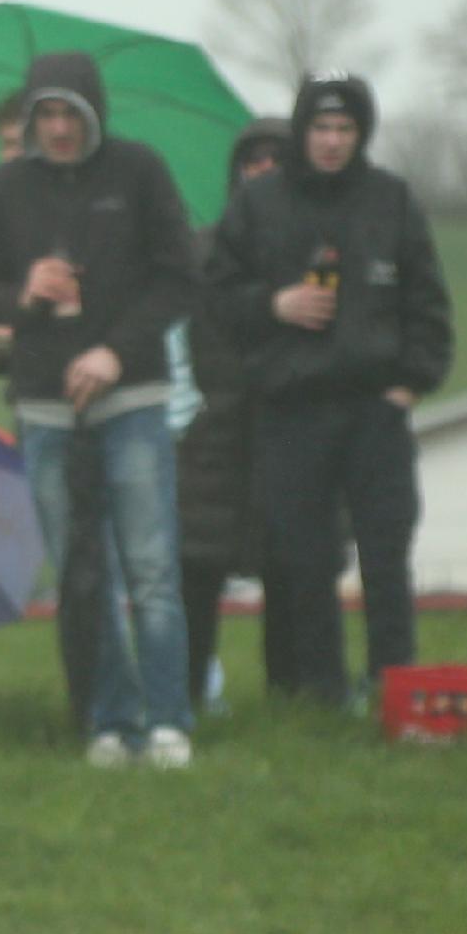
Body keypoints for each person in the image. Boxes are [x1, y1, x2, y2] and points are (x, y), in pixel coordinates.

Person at [0, 52, 198, 767]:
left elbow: (179, 278)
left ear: (94, 112)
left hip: (132, 397)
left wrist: (115, 353)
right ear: (31, 120)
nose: (60, 129)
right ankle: (109, 718)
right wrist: (24, 296)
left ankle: (167, 721)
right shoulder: (4, 188)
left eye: (71, 113)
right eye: (47, 115)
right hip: (44, 406)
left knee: (151, 565)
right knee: (79, 572)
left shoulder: (140, 171)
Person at [204, 76, 454, 708]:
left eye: (345, 130)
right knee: (305, 560)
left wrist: (411, 383)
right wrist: (274, 303)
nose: (332, 142)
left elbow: (428, 303)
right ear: (300, 132)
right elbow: (217, 297)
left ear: (361, 134)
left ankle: (394, 685)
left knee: (386, 553)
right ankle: (322, 693)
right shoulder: (260, 204)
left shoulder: (391, 200)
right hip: (292, 409)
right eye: (320, 129)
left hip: (376, 406)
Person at [172, 119, 295, 707]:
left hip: (294, 424)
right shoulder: (200, 249)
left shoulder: (319, 251)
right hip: (212, 427)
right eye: (253, 160)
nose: (264, 171)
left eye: (278, 159)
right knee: (196, 566)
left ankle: (297, 698)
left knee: (295, 568)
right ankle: (193, 689)